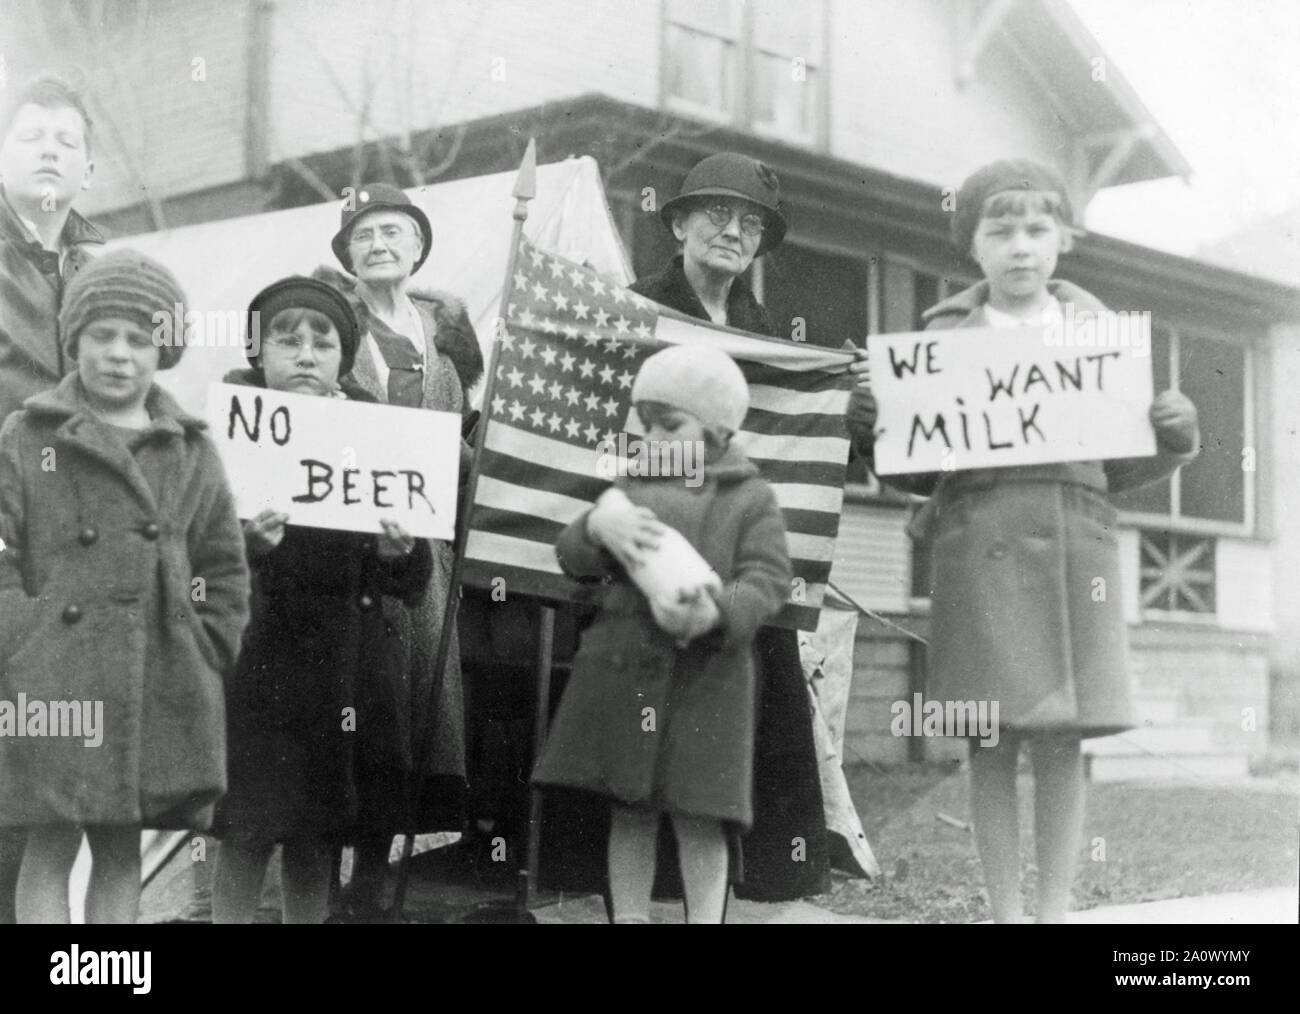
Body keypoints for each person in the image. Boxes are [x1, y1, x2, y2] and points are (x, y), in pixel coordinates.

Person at [884, 158, 1200, 922]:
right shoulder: (942, 338)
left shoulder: (1097, 335)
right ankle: (1004, 910)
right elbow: (919, 467)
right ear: (974, 246)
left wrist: (1172, 439)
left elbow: (1119, 464)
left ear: (1063, 239)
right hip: (977, 542)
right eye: (1001, 230)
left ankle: (1054, 908)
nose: (1020, 245)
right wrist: (877, 434)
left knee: (1064, 736)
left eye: (1037, 228)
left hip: (1072, 547)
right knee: (987, 734)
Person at [625, 152, 864, 900]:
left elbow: (806, 449)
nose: (735, 231)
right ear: (679, 223)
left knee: (745, 731)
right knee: (643, 742)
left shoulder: (777, 339)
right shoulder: (633, 310)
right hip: (656, 560)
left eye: (752, 222)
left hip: (744, 567)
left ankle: (741, 889)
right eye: (719, 214)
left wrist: (843, 399)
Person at [0, 250, 250, 923]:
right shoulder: (28, 435)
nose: (118, 355)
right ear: (73, 341)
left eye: (139, 339)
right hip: (51, 684)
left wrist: (207, 643)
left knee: (120, 851)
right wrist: (22, 639)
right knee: (47, 844)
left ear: (163, 348)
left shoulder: (189, 448)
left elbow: (222, 566)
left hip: (158, 679)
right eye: (101, 336)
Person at [534, 344, 792, 923]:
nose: (651, 439)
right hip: (626, 667)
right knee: (629, 808)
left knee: (701, 814)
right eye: (645, 425)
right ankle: (629, 918)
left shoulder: (750, 497)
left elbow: (769, 578)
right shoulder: (628, 490)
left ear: (717, 429)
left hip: (708, 678)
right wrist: (597, 523)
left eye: (669, 425)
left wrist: (719, 612)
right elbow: (573, 559)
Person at [211, 277, 432, 924]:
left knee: (315, 834)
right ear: (259, 354)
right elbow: (191, 556)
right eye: (287, 340)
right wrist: (244, 546)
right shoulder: (228, 435)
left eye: (322, 342)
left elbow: (410, 584)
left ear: (342, 358)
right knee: (244, 831)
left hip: (341, 669)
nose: (305, 354)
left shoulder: (371, 438)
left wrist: (399, 553)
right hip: (251, 666)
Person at [316, 182, 482, 917]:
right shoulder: (326, 327)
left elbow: (462, 438)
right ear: (348, 252)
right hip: (343, 547)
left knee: (407, 704)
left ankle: (376, 870)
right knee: (344, 697)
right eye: (365, 235)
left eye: (395, 232)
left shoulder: (442, 337)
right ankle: (320, 867)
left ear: (418, 247)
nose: (380, 244)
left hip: (422, 554)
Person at [0, 73, 104, 921]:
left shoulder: (113, 268)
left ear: (89, 169)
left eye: (66, 140)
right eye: (31, 134)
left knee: (46, 776)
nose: (47, 150)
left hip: (76, 553)